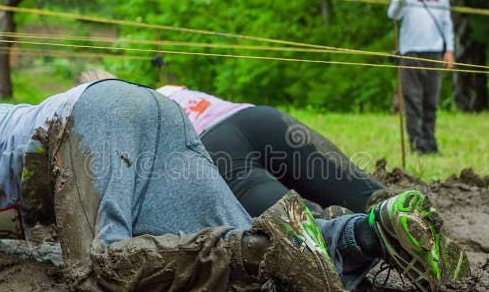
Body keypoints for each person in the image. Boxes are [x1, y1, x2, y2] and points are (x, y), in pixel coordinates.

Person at [0, 57, 469, 292]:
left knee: (98, 274)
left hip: (84, 128)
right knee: (216, 240)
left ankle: (261, 247)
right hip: (145, 107)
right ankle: (373, 232)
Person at [154, 83, 388, 218]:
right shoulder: (165, 90)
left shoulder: (132, 115)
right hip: (259, 119)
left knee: (304, 224)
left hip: (213, 147)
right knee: (370, 197)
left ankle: (334, 227)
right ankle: (397, 216)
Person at [387, 0, 455, 155]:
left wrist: (449, 50)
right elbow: (393, 15)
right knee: (413, 101)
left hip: (434, 51)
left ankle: (431, 144)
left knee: (430, 102)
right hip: (410, 52)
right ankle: (417, 146)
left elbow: (447, 21)